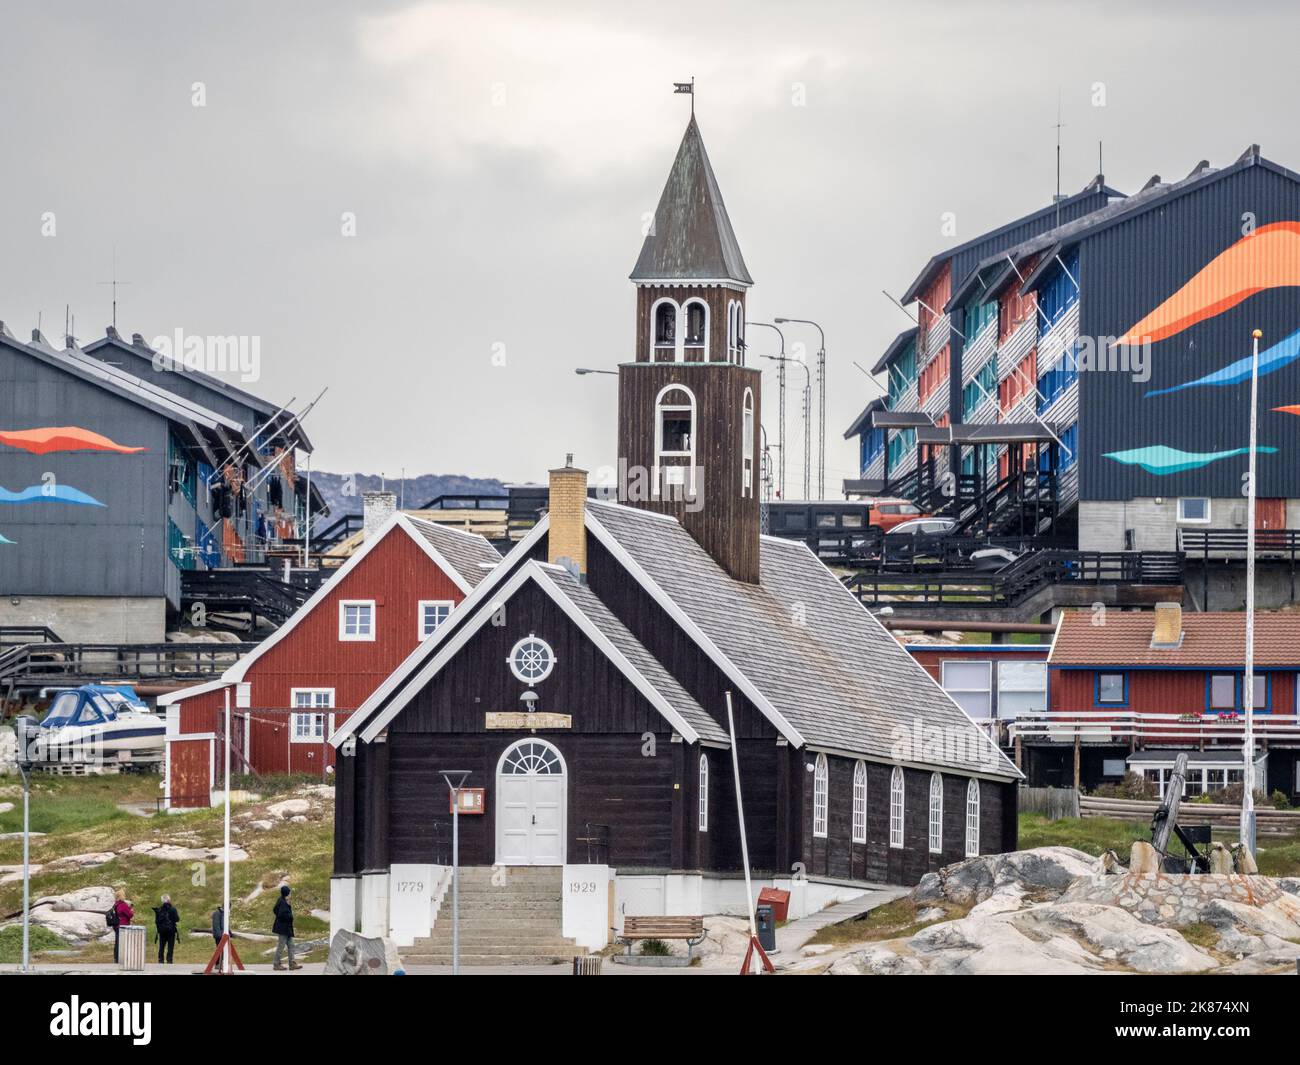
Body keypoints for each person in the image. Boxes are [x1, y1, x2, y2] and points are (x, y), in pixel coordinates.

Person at [272, 884, 300, 971]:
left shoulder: (282, 900)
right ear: (286, 894)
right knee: (281, 946)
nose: (290, 894)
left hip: (287, 929)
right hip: (283, 929)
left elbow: (275, 909)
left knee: (291, 945)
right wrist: (290, 916)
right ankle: (276, 964)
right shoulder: (283, 903)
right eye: (289, 893)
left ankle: (292, 963)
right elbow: (281, 914)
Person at [153, 894, 180, 964]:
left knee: (161, 945)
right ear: (169, 900)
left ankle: (160, 960)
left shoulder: (159, 909)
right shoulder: (173, 909)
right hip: (171, 930)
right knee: (170, 946)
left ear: (162, 901)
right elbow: (177, 919)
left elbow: (156, 921)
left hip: (162, 931)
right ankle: (169, 960)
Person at [110, 888, 134, 964]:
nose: (125, 896)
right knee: (122, 943)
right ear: (121, 896)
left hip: (116, 925)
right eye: (124, 895)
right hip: (123, 925)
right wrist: (131, 911)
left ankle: (116, 958)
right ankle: (121, 958)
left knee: (117, 942)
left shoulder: (115, 904)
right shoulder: (123, 905)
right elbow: (130, 915)